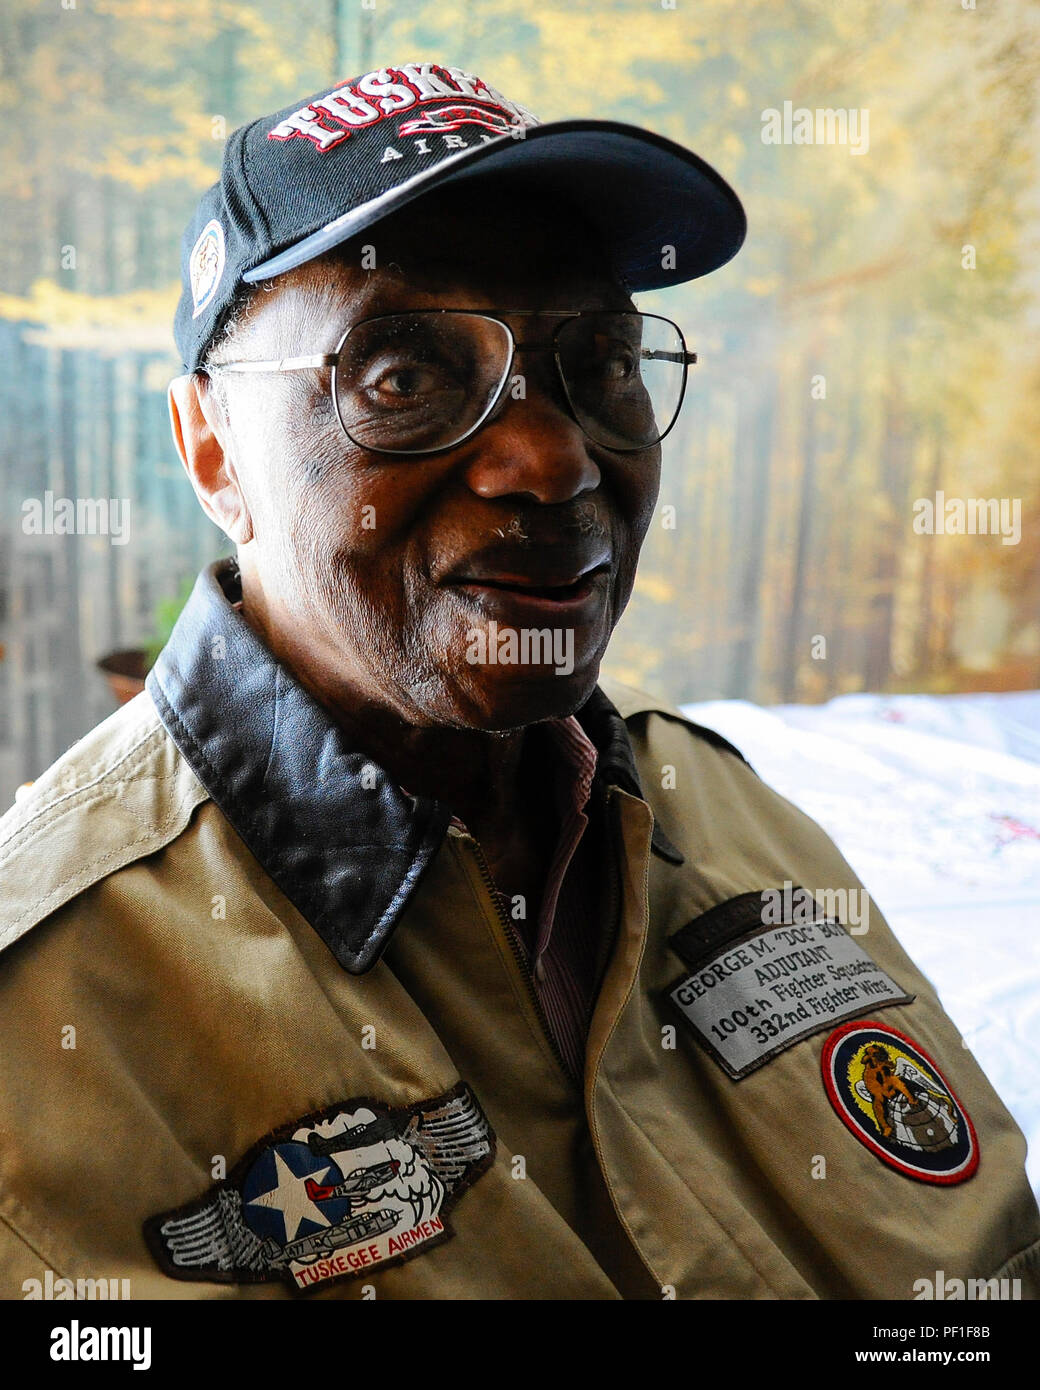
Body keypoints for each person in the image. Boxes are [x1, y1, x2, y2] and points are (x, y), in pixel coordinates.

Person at [1, 62, 1036, 1301]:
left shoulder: (730, 816)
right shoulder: (51, 1005)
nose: (550, 458)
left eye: (597, 359)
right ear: (214, 452)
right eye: (401, 378)